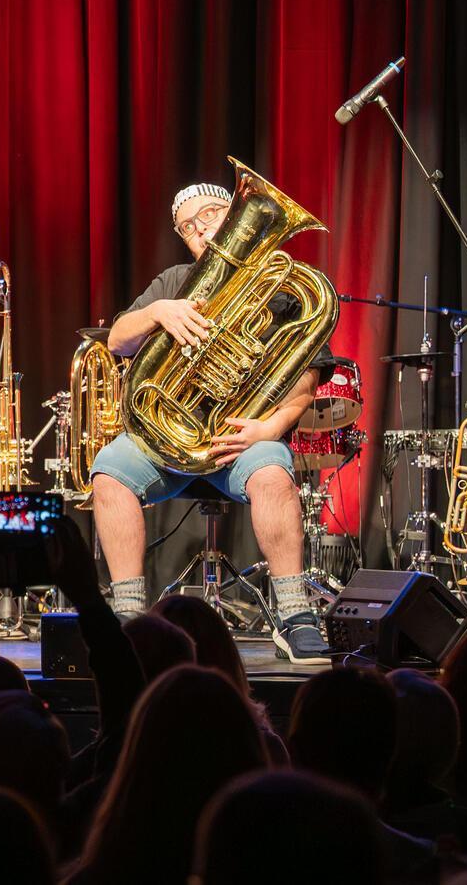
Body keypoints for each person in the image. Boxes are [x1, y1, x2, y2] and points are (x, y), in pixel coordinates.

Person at [89, 178, 333, 663]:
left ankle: (295, 615)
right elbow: (117, 339)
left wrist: (269, 429)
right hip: (168, 439)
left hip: (242, 438)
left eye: (209, 217)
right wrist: (159, 312)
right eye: (187, 226)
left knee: (273, 474)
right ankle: (129, 615)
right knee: (108, 473)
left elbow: (306, 380)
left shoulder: (280, 283)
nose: (199, 230)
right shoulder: (174, 281)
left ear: (234, 215)